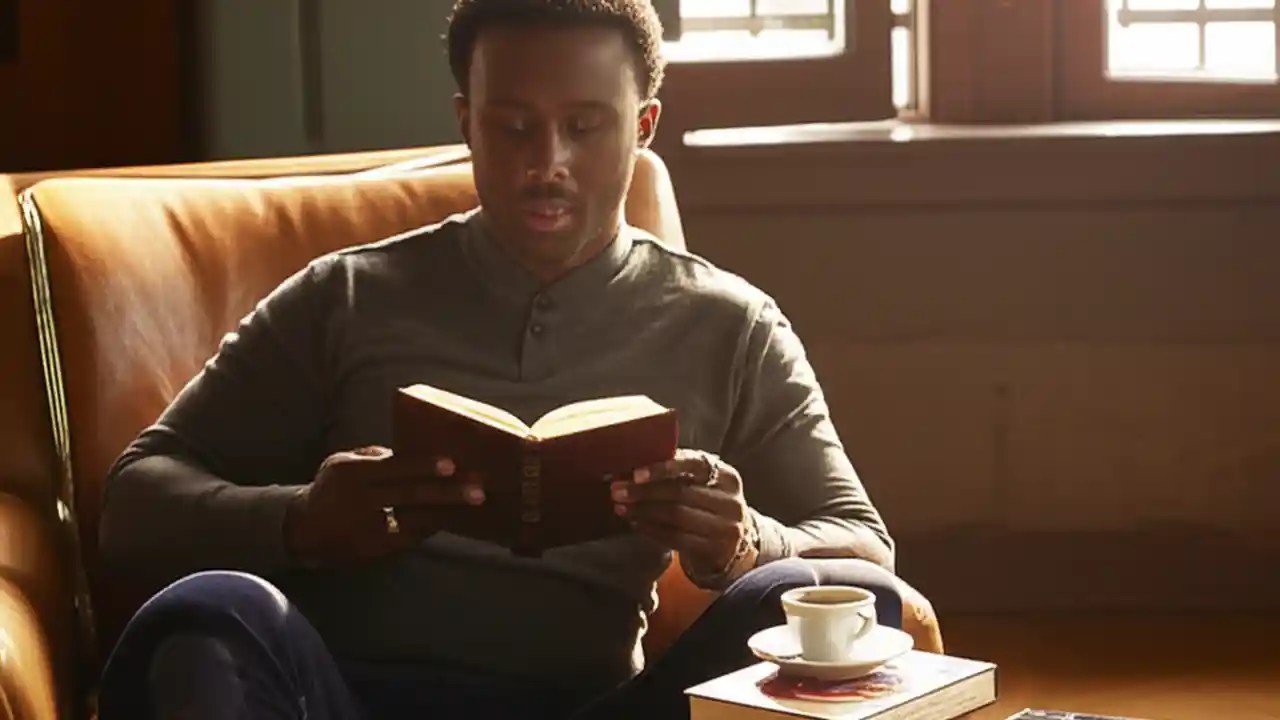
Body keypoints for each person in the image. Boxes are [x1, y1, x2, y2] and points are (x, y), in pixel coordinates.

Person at [95, 1, 899, 718]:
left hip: (606, 705)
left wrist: (746, 542)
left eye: (585, 127)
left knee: (833, 597)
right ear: (466, 120)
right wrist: (302, 521)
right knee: (210, 612)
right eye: (512, 126)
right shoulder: (342, 299)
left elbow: (864, 544)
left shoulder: (731, 326)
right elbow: (132, 501)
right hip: (341, 697)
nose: (545, 163)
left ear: (643, 124)